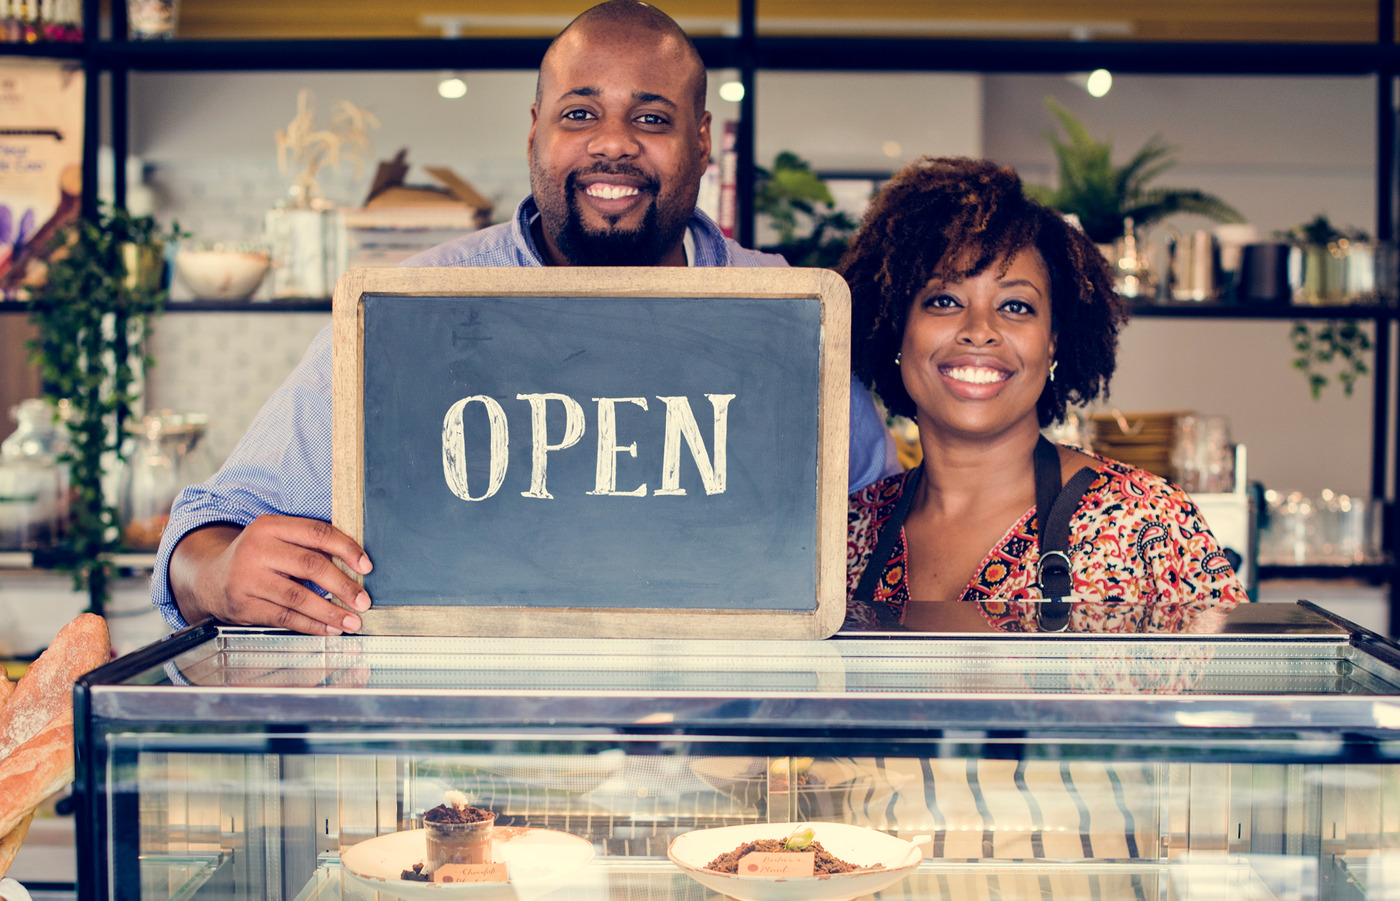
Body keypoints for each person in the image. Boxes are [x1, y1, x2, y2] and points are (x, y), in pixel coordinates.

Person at [152, 0, 897, 636]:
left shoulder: (792, 319)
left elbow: (885, 530)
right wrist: (218, 574)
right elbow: (204, 530)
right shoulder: (411, 311)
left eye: (651, 117)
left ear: (701, 141)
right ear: (535, 129)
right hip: (467, 749)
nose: (614, 143)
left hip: (722, 743)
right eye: (580, 114)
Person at [837, 157, 1246, 633]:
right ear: (896, 329)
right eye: (944, 300)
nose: (979, 330)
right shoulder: (847, 531)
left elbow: (1241, 681)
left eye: (1015, 306)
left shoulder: (1147, 524)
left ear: (1052, 343)